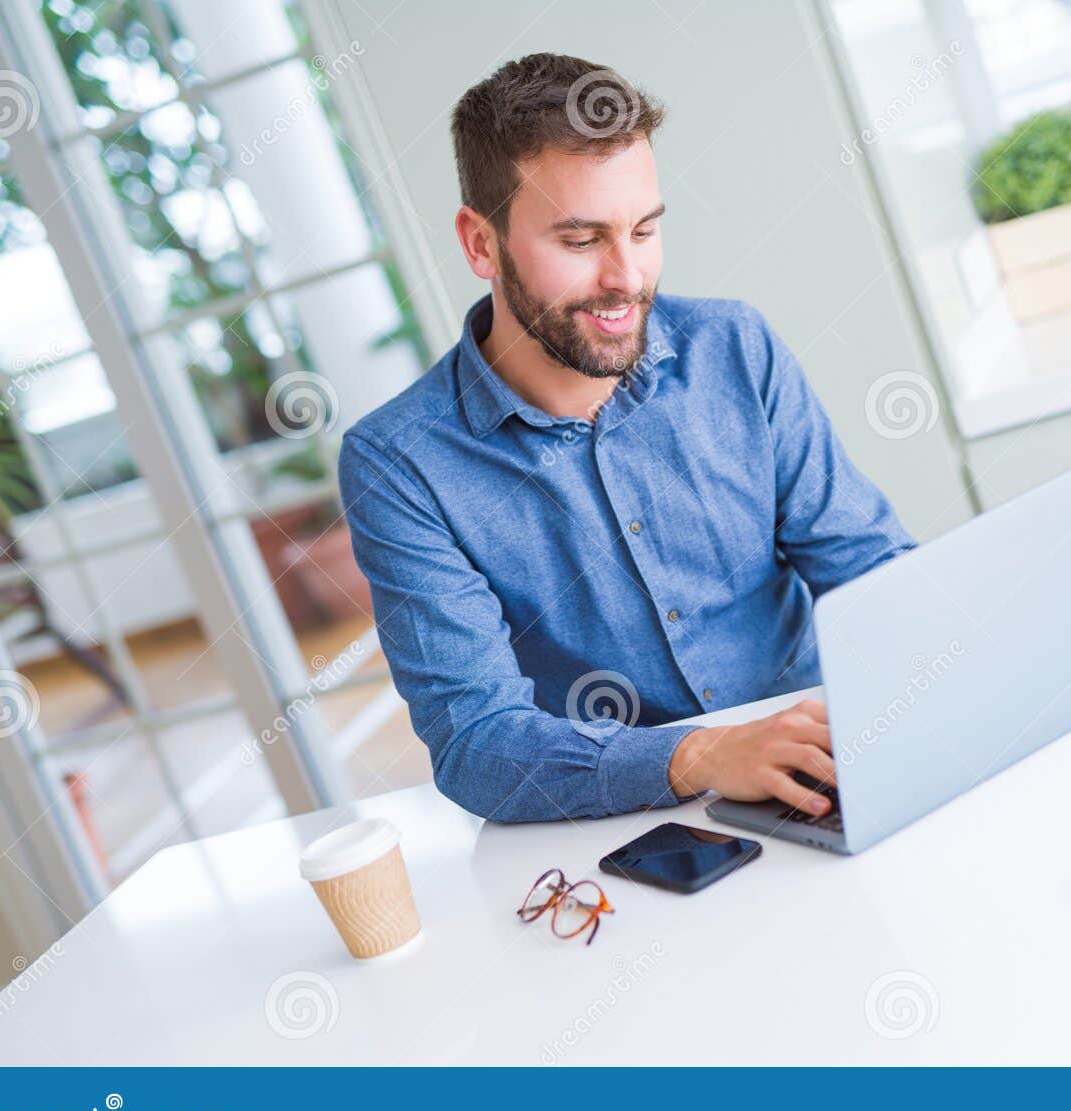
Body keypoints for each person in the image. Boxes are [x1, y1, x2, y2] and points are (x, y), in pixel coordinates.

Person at [339, 53, 915, 823]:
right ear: (481, 244)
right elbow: (476, 742)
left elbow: (870, 566)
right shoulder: (401, 464)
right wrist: (701, 756)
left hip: (829, 764)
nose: (627, 277)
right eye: (581, 242)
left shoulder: (734, 348)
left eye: (644, 230)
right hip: (635, 822)